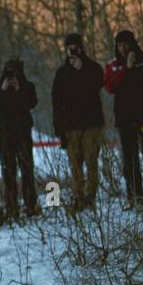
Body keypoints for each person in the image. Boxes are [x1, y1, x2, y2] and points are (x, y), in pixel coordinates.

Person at [103, 29, 143, 205]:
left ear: (133, 44)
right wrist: (127, 68)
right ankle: (135, 198)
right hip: (125, 118)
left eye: (126, 44)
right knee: (129, 160)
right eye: (120, 45)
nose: (123, 48)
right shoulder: (113, 65)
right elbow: (109, 86)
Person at [50, 31, 105, 211]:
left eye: (75, 47)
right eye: (69, 48)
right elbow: (56, 102)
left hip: (91, 122)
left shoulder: (93, 68)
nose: (72, 51)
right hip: (71, 125)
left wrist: (83, 69)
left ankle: (90, 197)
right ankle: (78, 197)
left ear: (81, 48)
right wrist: (58, 127)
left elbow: (98, 83)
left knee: (91, 160)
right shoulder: (61, 73)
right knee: (75, 164)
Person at [0, 58, 39, 220]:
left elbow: (32, 102)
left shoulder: (27, 87)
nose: (12, 75)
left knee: (27, 170)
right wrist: (2, 89)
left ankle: (30, 205)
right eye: (8, 71)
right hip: (5, 135)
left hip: (23, 135)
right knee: (8, 172)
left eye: (15, 72)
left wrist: (19, 88)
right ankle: (11, 207)